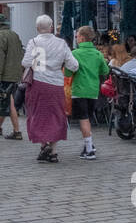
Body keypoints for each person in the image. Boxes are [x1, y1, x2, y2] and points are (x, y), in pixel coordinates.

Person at [21, 14, 79, 163]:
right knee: (55, 115)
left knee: (39, 114)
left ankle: (43, 144)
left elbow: (26, 62)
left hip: (38, 83)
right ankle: (53, 151)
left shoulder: (34, 42)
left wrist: (40, 63)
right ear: (51, 27)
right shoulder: (61, 43)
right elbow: (73, 65)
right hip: (56, 83)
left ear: (37, 28)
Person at [68, 26, 110, 161]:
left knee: (83, 119)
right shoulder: (97, 54)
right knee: (88, 118)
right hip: (93, 89)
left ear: (82, 38)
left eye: (77, 36)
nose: (76, 38)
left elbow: (68, 72)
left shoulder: (75, 53)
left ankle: (89, 149)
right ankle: (89, 144)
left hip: (79, 89)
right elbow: (105, 71)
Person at [0, 14, 24, 140]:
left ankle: (17, 131)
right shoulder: (14, 34)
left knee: (9, 101)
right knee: (7, 99)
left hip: (5, 73)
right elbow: (21, 52)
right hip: (15, 72)